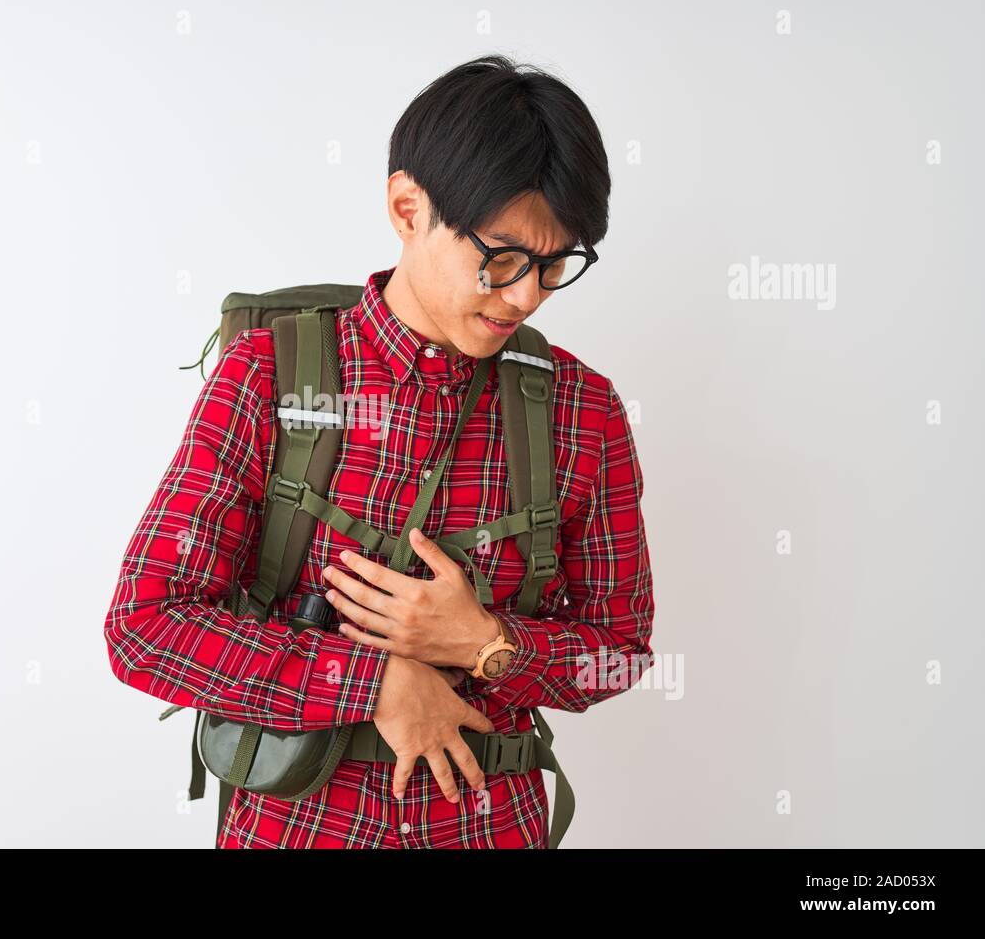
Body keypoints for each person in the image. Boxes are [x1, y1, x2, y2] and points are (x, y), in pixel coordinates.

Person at [104, 54, 655, 848]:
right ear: (407, 206)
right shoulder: (269, 373)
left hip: (492, 830)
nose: (528, 295)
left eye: (556, 263)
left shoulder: (584, 411)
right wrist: (377, 683)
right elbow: (146, 625)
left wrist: (488, 645)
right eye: (501, 258)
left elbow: (620, 653)